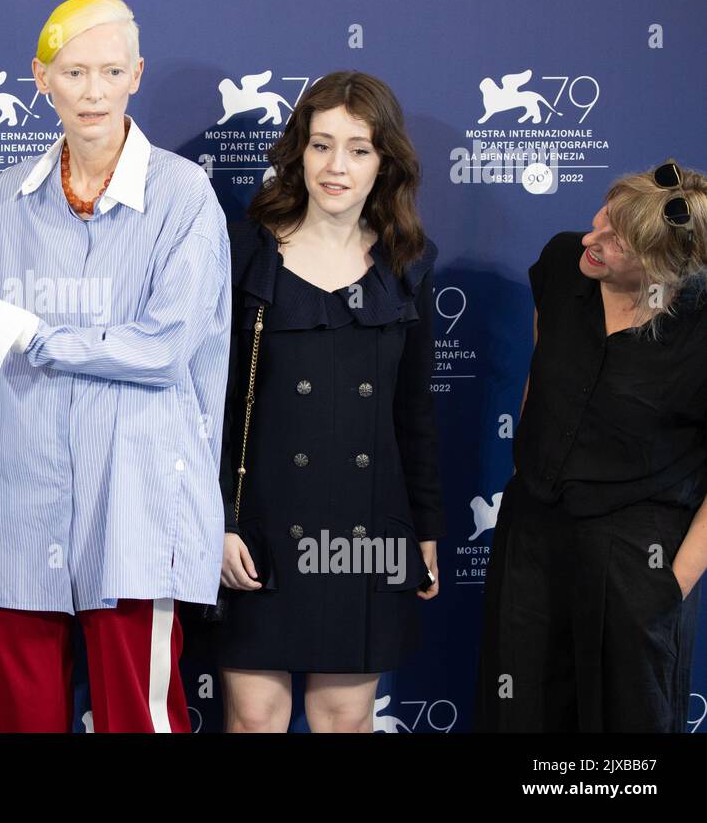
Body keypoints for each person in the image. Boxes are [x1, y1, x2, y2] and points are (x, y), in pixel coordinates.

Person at [0, 0, 231, 733]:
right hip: (22, 503)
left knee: (139, 718)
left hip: (137, 509)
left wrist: (35, 332)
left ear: (136, 76)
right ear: (41, 78)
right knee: (18, 718)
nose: (93, 90)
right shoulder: (9, 199)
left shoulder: (185, 195)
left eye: (111, 71)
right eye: (75, 71)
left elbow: (162, 349)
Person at [217, 72, 443, 733]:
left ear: (386, 162)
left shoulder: (409, 262)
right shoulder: (243, 253)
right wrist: (216, 521)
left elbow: (415, 412)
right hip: (257, 523)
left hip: (366, 531)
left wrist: (424, 528)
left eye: (358, 148)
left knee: (345, 718)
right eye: (321, 145)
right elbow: (210, 403)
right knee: (254, 717)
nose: (336, 166)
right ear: (298, 152)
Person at [475, 160, 707, 732]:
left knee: (626, 728)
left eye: (615, 241)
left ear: (662, 267)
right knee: (519, 710)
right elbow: (545, 367)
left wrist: (669, 583)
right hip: (534, 531)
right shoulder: (562, 264)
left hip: (637, 553)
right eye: (601, 219)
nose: (591, 240)